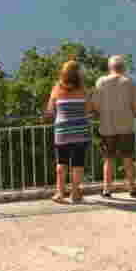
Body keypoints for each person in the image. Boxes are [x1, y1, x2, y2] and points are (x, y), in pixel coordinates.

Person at [89, 55, 136, 197]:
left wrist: (98, 113)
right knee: (128, 158)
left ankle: (107, 189)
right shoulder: (131, 82)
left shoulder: (101, 82)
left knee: (108, 159)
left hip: (107, 127)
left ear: (109, 67)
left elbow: (94, 104)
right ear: (123, 67)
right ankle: (132, 187)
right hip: (126, 126)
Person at [45, 58, 91, 203]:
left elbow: (49, 110)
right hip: (80, 130)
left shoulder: (56, 89)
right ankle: (75, 193)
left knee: (61, 162)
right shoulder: (83, 90)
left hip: (62, 131)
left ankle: (60, 193)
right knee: (78, 163)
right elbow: (89, 109)